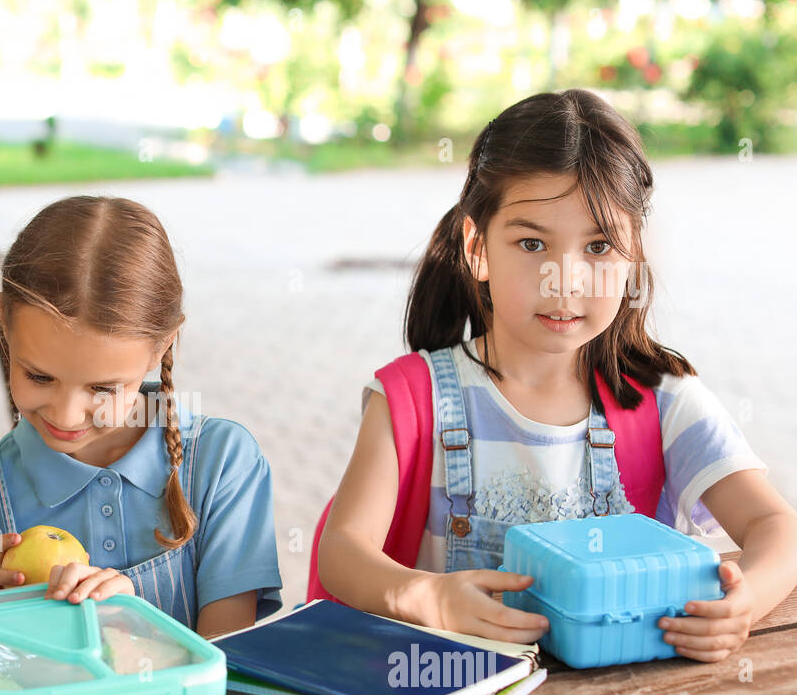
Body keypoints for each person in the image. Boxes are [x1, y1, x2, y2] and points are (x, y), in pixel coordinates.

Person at [315, 89, 797, 658]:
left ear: (633, 254)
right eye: (532, 242)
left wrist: (745, 604)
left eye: (598, 246)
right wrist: (426, 595)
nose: (564, 280)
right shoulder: (411, 398)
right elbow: (341, 551)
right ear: (477, 247)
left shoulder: (666, 401)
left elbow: (776, 527)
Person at [0, 196, 283, 638]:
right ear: (4, 320)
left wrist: (134, 622)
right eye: (39, 376)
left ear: (162, 346)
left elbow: (227, 663)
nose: (65, 413)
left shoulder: (221, 465)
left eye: (101, 388)